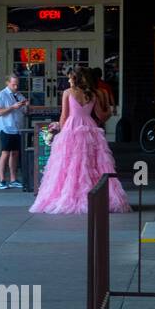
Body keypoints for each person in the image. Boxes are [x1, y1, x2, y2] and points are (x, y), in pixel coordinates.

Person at [30, 66, 130, 214]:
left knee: (69, 164)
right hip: (90, 128)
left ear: (75, 78)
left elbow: (64, 116)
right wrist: (109, 111)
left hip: (72, 128)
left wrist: (61, 132)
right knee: (92, 163)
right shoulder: (93, 94)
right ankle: (94, 195)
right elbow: (101, 116)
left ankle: (71, 196)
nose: (69, 79)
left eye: (70, 77)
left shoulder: (68, 93)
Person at [0, 74, 28, 190]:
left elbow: (25, 112)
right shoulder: (1, 95)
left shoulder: (19, 95)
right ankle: (2, 180)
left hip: (17, 128)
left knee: (15, 153)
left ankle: (13, 179)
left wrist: (26, 106)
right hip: (6, 128)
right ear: (7, 83)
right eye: (13, 84)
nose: (16, 87)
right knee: (5, 153)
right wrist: (12, 107)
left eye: (17, 84)